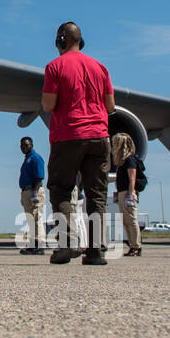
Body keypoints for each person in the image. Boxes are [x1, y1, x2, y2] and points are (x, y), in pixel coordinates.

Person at [41, 21, 115, 265]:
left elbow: (49, 105)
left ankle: (67, 245)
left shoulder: (55, 67)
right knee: (97, 195)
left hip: (68, 136)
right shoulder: (100, 67)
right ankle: (95, 252)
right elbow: (111, 106)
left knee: (61, 189)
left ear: (60, 40)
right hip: (99, 137)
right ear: (80, 41)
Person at [111, 132, 142, 256]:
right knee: (126, 221)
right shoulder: (123, 161)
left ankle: (137, 246)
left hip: (127, 193)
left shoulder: (130, 160)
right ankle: (133, 245)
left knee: (131, 220)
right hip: (122, 192)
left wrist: (130, 194)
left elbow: (132, 178)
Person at [18, 136, 47, 254]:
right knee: (30, 219)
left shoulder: (35, 158)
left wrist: (35, 192)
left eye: (27, 145)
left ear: (32, 145)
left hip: (33, 190)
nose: (24, 148)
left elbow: (39, 176)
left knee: (36, 217)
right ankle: (33, 243)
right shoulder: (27, 159)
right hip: (26, 191)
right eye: (22, 146)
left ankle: (39, 245)